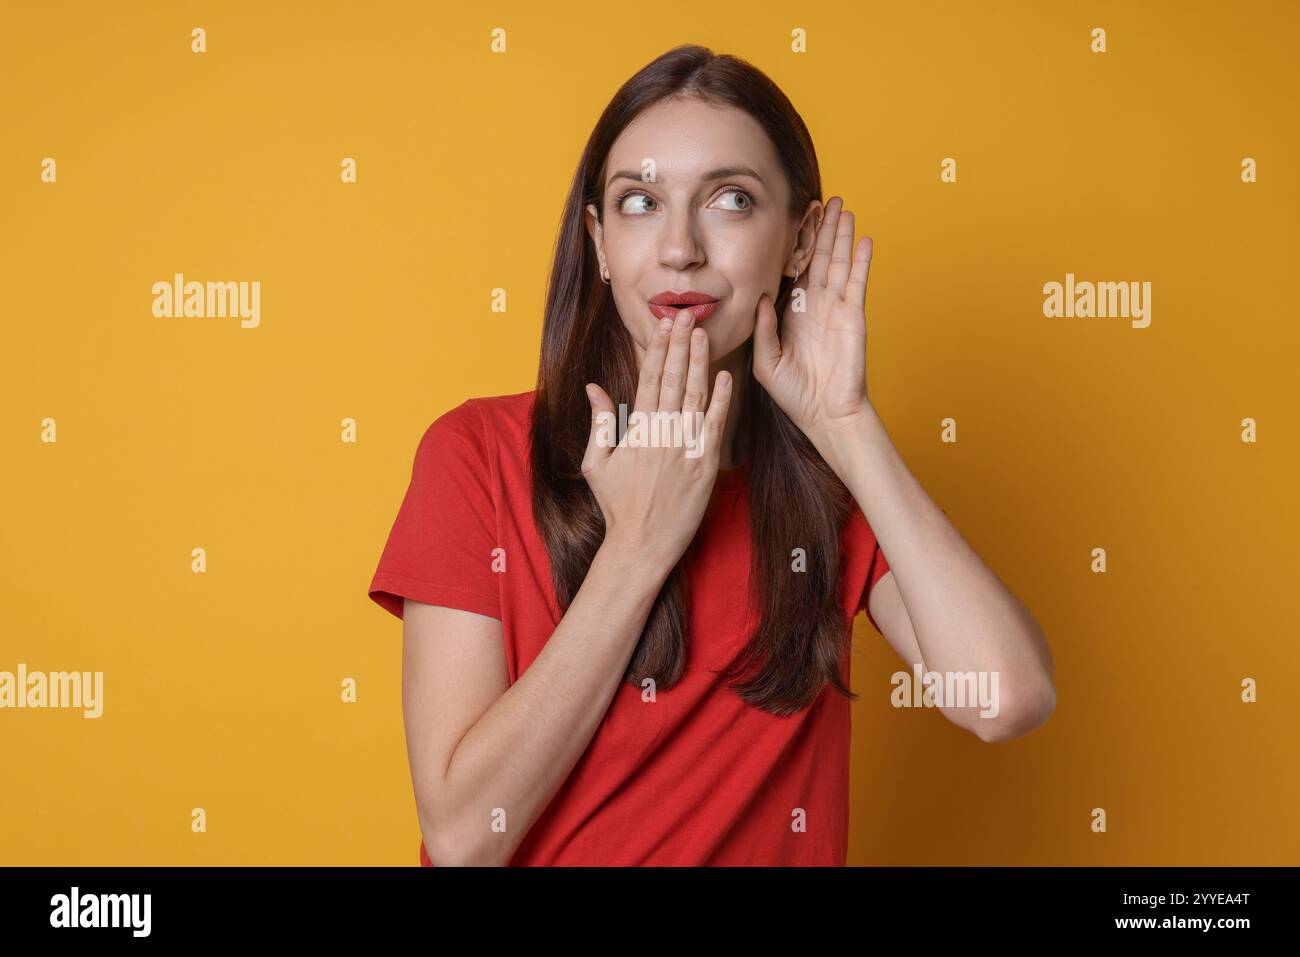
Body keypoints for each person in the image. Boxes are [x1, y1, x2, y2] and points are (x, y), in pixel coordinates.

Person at [368, 44, 1055, 866]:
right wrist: (640, 544)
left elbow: (1006, 698)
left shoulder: (829, 485)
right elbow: (461, 840)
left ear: (799, 242)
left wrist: (847, 421)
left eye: (730, 199)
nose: (680, 248)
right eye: (639, 202)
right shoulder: (474, 455)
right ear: (596, 240)